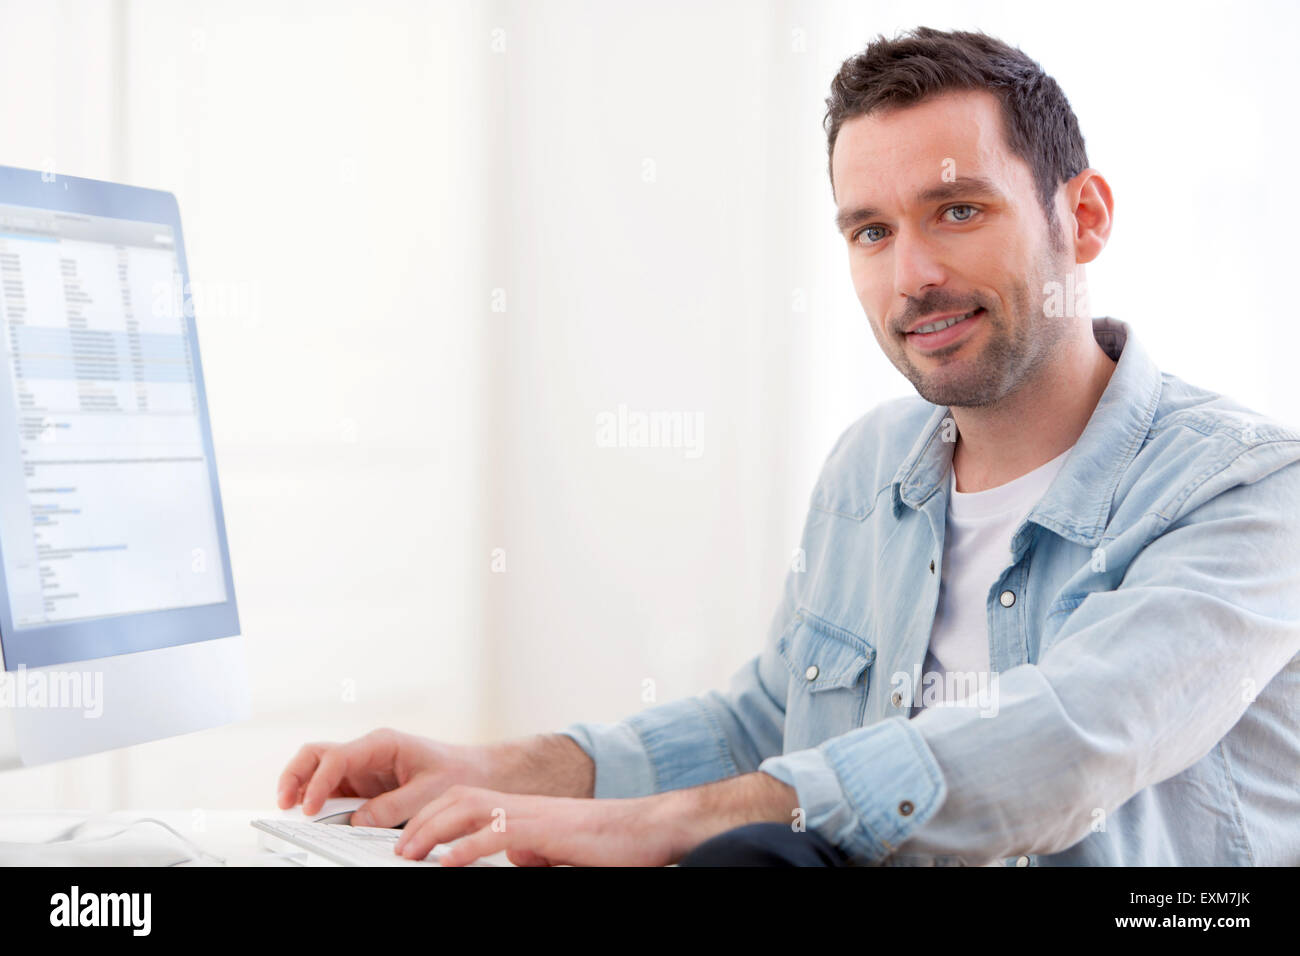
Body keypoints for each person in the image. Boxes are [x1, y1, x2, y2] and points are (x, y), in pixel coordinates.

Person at [276, 26, 1300, 867]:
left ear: (1081, 217)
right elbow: (764, 721)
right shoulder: (872, 467)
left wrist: (648, 827)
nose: (912, 276)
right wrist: (493, 768)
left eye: (956, 210)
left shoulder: (1248, 488)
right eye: (870, 231)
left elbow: (1067, 739)